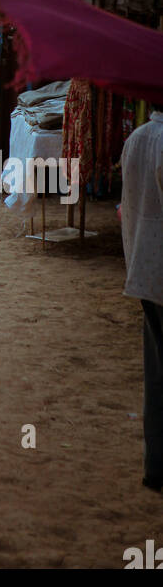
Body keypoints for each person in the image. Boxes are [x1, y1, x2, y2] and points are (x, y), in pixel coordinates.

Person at [120, 106, 163, 492]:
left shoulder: (136, 140)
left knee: (155, 372)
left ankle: (155, 465)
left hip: (143, 273)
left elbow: (128, 208)